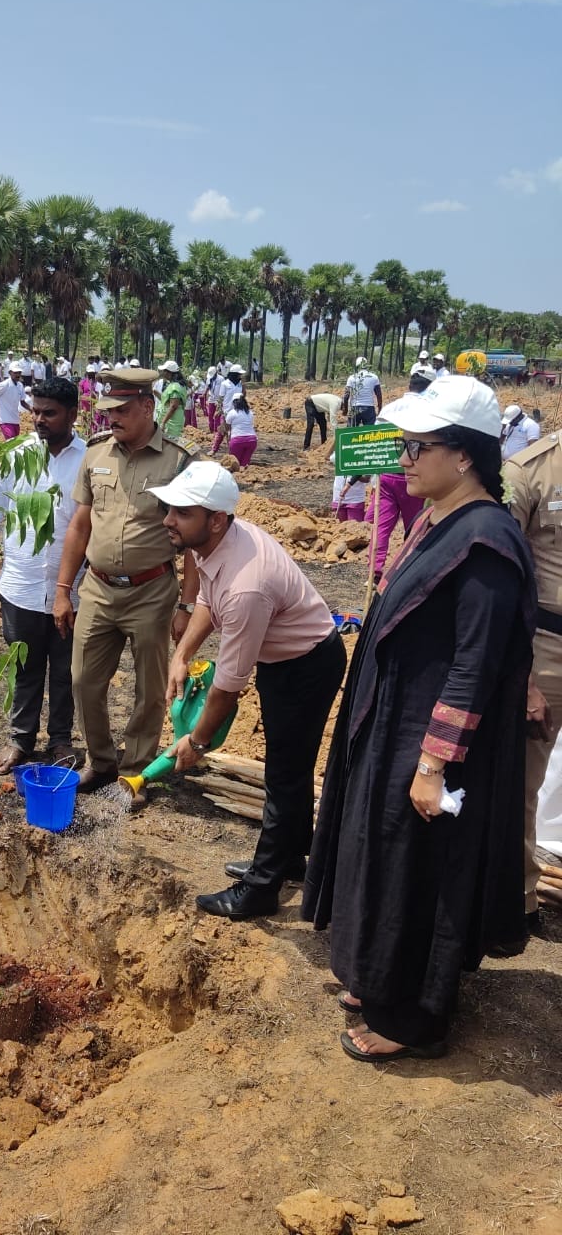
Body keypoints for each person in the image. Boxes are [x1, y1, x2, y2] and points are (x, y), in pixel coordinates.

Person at [303, 377, 536, 1060]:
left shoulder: (488, 540)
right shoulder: (439, 519)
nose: (404, 460)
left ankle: (411, 1018)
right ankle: (375, 978)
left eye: (416, 448)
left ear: (463, 455)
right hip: (392, 721)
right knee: (379, 855)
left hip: (430, 741)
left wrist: (433, 764)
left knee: (416, 869)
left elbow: (475, 663)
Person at [153, 462, 346, 918]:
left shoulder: (247, 586)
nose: (168, 520)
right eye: (169, 509)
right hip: (287, 661)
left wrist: (197, 742)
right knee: (289, 768)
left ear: (215, 518)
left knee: (284, 775)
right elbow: (206, 598)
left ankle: (260, 890)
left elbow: (227, 687)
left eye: (181, 512)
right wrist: (182, 653)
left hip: (306, 665)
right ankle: (289, 861)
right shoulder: (218, 541)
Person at [52, 368, 199, 805]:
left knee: (150, 689)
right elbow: (80, 525)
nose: (111, 418)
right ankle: (100, 761)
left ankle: (134, 773)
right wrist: (63, 589)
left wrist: (186, 606)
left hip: (152, 592)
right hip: (97, 589)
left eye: (121, 410)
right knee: (82, 680)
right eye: (107, 410)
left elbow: (191, 544)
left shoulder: (177, 461)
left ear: (148, 407)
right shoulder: (96, 455)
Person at [0, 377, 86, 773]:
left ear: (73, 414)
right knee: (24, 667)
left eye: (49, 413)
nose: (39, 419)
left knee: (66, 671)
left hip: (71, 590)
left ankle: (59, 739)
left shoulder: (88, 460)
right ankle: (21, 739)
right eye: (35, 411)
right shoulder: (15, 454)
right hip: (19, 585)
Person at [504, 425, 562, 929]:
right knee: (523, 779)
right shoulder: (529, 471)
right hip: (547, 649)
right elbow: (501, 577)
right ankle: (518, 899)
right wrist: (522, 677)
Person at [365, 368, 433, 581]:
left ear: (409, 387)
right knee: (416, 526)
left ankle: (374, 571)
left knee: (381, 525)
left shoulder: (389, 410)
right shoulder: (431, 410)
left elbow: (374, 443)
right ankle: (408, 572)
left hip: (386, 476)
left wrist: (374, 480)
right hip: (415, 475)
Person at [0, 360, 27, 438]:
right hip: (5, 421)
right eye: (15, 373)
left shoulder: (20, 385)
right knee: (11, 442)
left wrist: (32, 409)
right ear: (10, 373)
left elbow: (23, 402)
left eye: (19, 372)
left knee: (14, 445)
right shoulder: (4, 384)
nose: (18, 375)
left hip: (15, 420)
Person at [342, 357, 382, 427]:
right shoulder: (374, 377)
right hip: (369, 408)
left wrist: (345, 410)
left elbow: (346, 396)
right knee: (370, 432)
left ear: (357, 366)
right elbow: (379, 395)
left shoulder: (352, 378)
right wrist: (380, 408)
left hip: (354, 408)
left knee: (350, 432)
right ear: (367, 366)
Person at [224, 389, 257, 466]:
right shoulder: (250, 413)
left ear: (234, 402)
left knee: (234, 464)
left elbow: (227, 428)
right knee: (245, 464)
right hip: (252, 440)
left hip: (237, 440)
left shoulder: (232, 413)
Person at [158, 361, 188, 439]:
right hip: (171, 419)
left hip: (172, 422)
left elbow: (173, 406)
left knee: (171, 444)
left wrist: (163, 422)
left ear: (169, 373)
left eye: (164, 371)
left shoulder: (175, 387)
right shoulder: (175, 385)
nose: (163, 373)